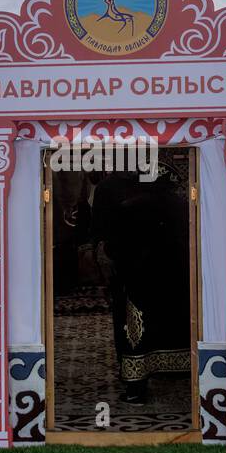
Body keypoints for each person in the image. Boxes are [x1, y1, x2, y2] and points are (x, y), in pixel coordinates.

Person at [92, 166, 189, 405]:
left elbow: (109, 239)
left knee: (137, 327)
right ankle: (170, 372)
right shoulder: (181, 204)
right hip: (171, 273)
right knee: (166, 320)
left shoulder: (131, 206)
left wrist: (111, 260)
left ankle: (136, 384)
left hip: (138, 274)